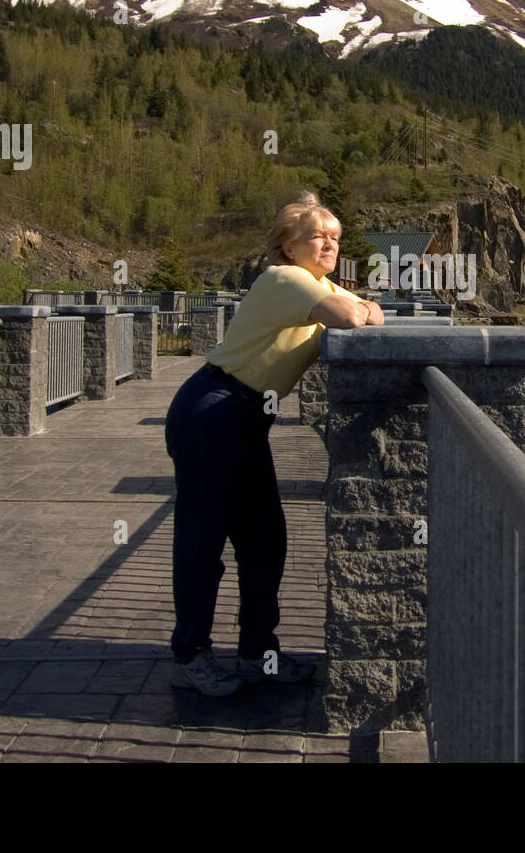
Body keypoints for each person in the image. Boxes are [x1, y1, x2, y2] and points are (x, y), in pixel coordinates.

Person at [163, 191, 385, 696]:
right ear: (288, 245)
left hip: (247, 418)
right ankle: (189, 654)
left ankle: (255, 654)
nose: (329, 244)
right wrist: (364, 305)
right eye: (317, 236)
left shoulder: (317, 285)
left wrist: (365, 306)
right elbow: (355, 317)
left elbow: (375, 317)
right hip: (213, 411)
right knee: (203, 542)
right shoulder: (285, 280)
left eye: (335, 237)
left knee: (265, 542)